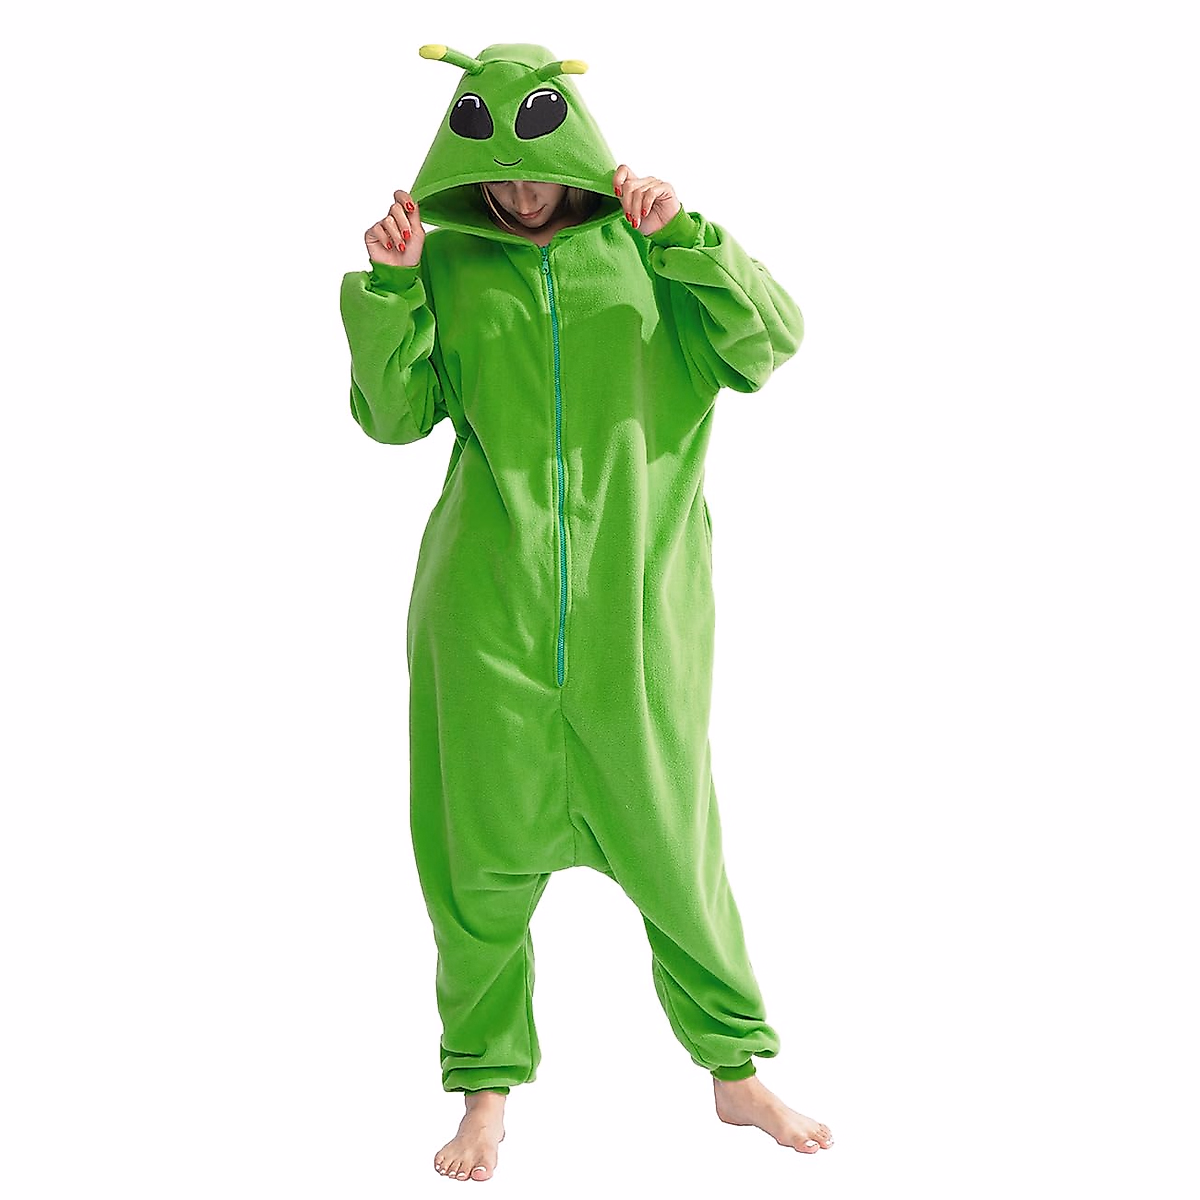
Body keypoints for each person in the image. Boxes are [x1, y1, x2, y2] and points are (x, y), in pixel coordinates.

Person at [338, 42, 833, 1181]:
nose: (519, 191)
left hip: (636, 608)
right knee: (475, 865)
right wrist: (393, 287)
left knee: (675, 847)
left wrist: (685, 236)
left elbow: (770, 341)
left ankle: (736, 1070)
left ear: (575, 144)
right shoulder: (448, 263)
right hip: (486, 609)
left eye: (539, 162)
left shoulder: (652, 249)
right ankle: (485, 1095)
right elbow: (392, 416)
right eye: (497, 170)